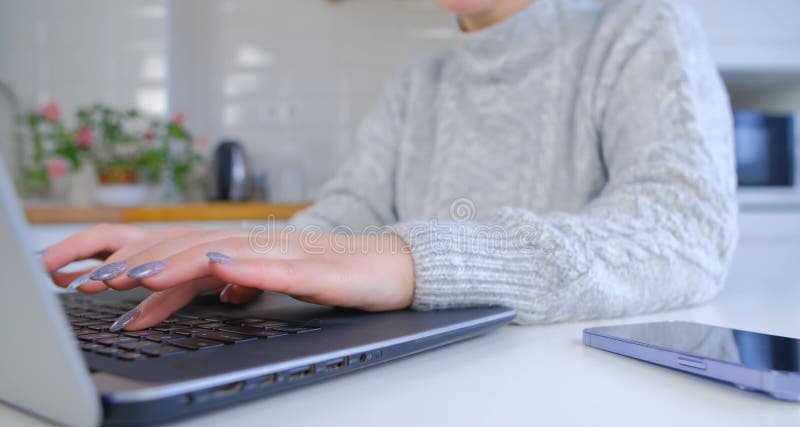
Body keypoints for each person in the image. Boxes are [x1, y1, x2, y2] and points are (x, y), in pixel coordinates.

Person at [41, 0, 738, 332]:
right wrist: (228, 260)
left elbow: (684, 230)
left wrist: (412, 259)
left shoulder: (641, 26)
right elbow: (346, 218)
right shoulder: (420, 83)